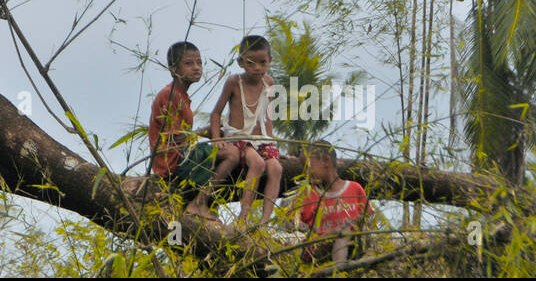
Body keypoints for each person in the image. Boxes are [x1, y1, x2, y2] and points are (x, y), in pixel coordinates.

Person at [149, 40, 240, 221]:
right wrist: (204, 132)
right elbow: (175, 139)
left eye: (199, 63)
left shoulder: (182, 95)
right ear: (174, 68)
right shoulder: (170, 94)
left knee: (225, 144)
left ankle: (209, 203)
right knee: (232, 153)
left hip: (177, 155)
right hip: (170, 161)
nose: (197, 68)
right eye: (189, 63)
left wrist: (211, 132)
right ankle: (199, 202)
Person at [210, 35, 282, 224]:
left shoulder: (270, 83)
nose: (257, 67)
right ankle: (244, 215)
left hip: (262, 140)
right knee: (257, 164)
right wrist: (217, 139)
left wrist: (273, 146)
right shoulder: (234, 82)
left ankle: (264, 221)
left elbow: (268, 117)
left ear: (270, 62)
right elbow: (216, 113)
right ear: (241, 62)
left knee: (276, 167)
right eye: (251, 63)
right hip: (239, 138)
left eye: (262, 62)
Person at [297, 140, 372, 263]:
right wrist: (299, 225)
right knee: (342, 231)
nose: (306, 174)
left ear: (326, 161)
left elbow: (367, 222)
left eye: (309, 167)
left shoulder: (355, 189)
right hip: (318, 250)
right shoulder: (307, 195)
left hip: (352, 248)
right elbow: (289, 223)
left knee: (346, 230)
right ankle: (338, 270)